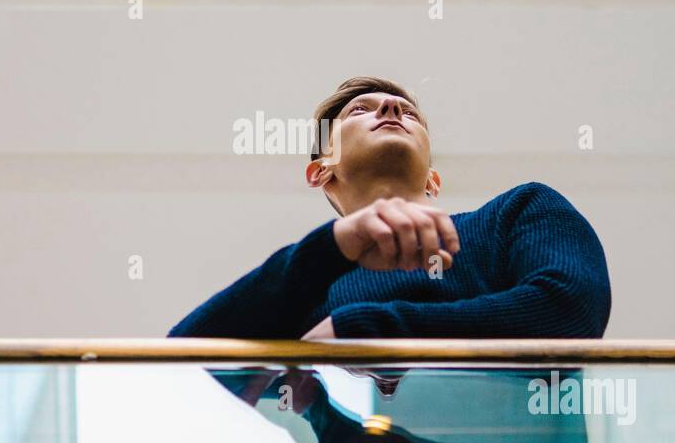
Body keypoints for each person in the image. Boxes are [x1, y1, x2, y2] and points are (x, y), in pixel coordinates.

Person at [169, 76, 612, 343]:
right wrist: (330, 248)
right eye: (359, 110)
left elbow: (571, 311)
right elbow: (179, 359)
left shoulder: (519, 213)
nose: (392, 107)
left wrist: (371, 329)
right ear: (320, 172)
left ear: (432, 181)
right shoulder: (307, 277)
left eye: (410, 115)